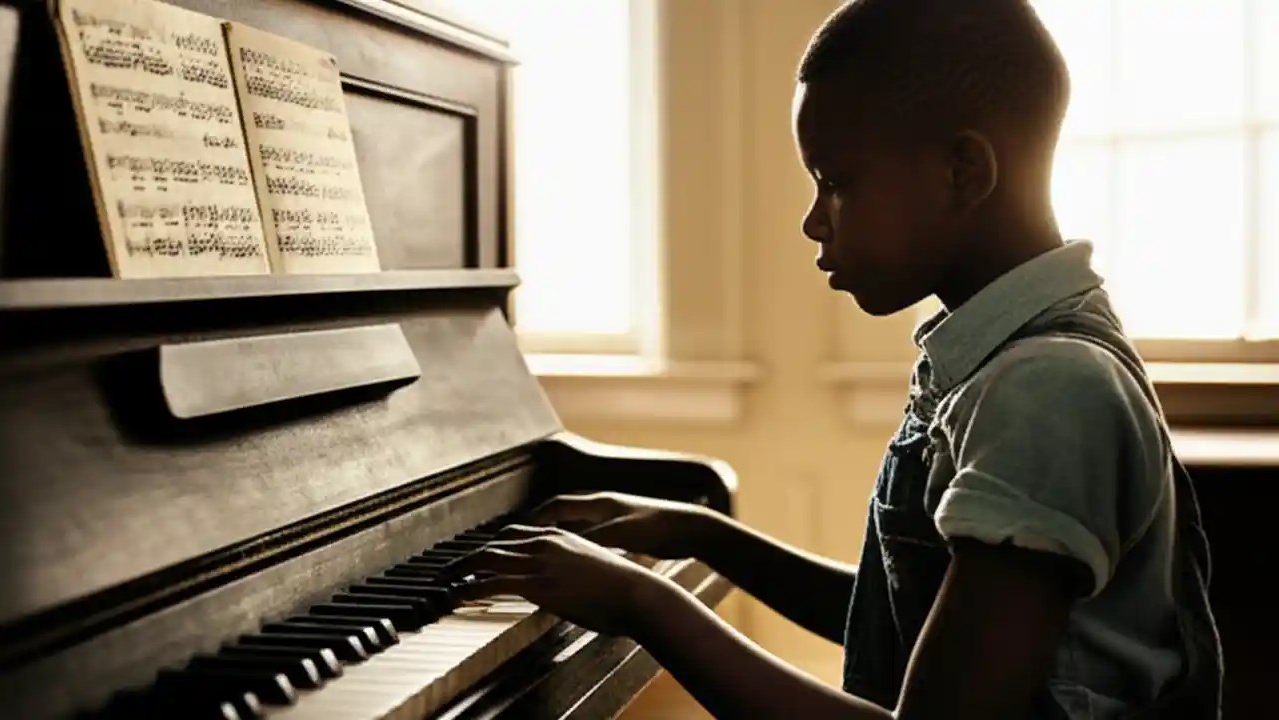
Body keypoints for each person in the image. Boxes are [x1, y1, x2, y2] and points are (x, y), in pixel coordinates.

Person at [446, 0, 1223, 717]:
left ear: (964, 172)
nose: (814, 222)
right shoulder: (1006, 361)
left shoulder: (1047, 390)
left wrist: (642, 604)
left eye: (836, 182)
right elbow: (906, 619)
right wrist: (705, 536)